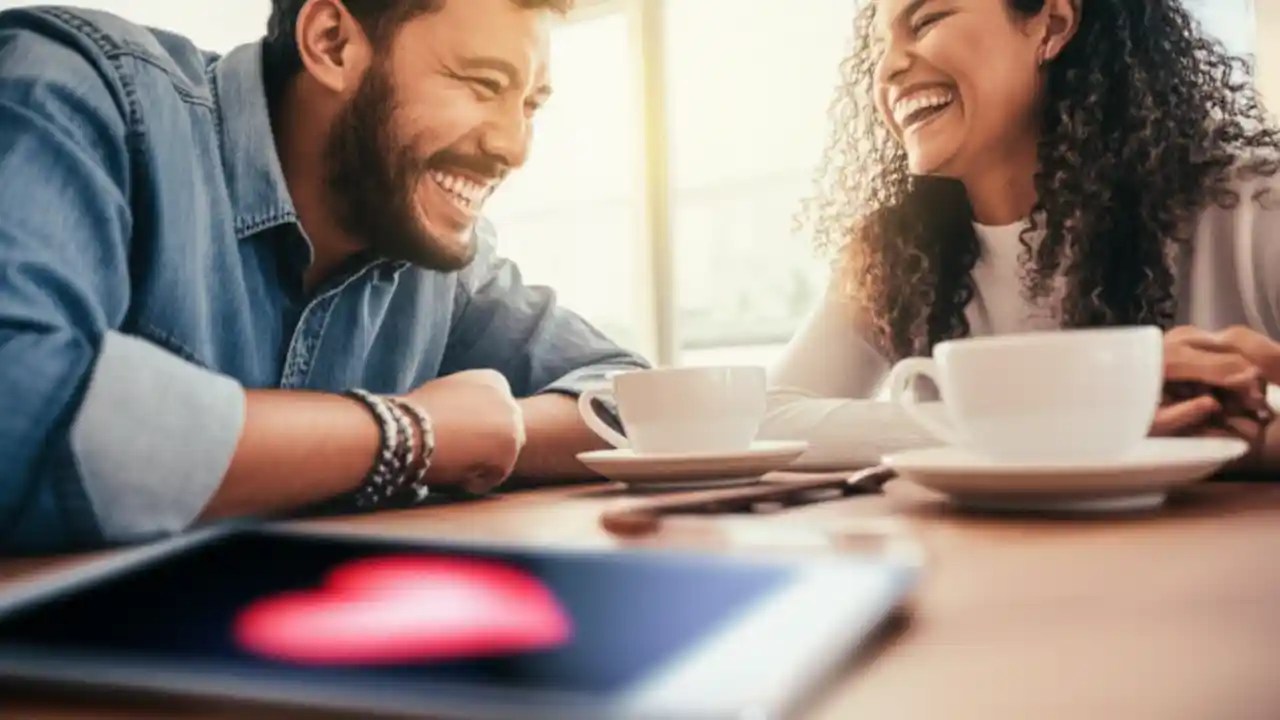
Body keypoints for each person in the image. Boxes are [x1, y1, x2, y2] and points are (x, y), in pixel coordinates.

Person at [0, 0, 648, 554]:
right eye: (480, 83)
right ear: (332, 43)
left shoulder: (426, 241)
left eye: (530, 104)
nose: (514, 146)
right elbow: (19, 399)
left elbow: (632, 399)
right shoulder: (79, 87)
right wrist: (412, 434)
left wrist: (488, 432)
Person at [761, 0, 1280, 468]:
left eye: (927, 21)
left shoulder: (1252, 208)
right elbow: (768, 420)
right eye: (879, 46)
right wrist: (1057, 418)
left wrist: (1249, 434)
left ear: (1051, 24)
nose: (888, 68)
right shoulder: (895, 254)